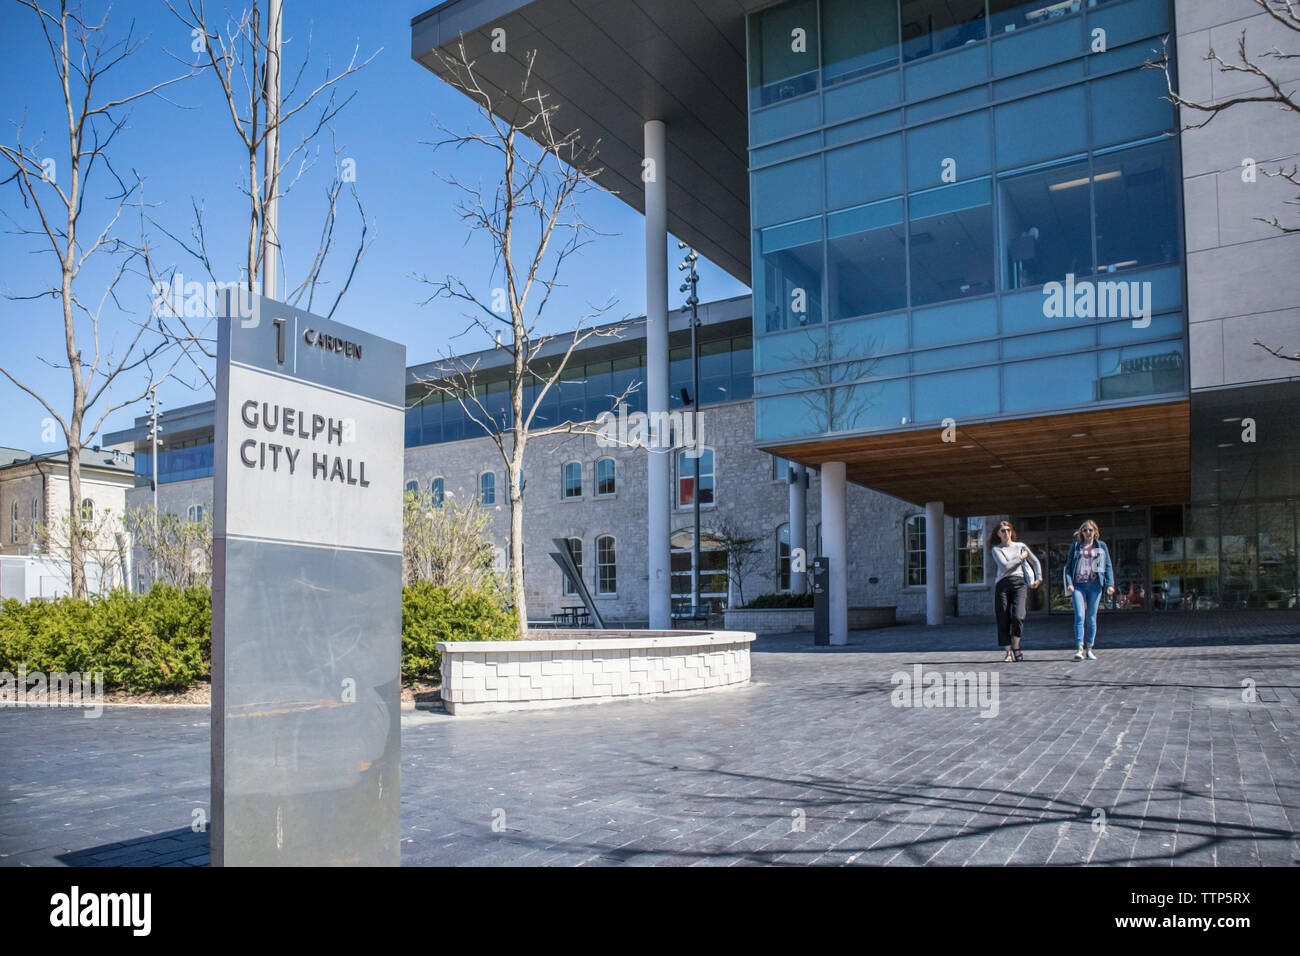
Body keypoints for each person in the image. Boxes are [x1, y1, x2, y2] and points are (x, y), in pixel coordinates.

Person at [989, 521, 1042, 661]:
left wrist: (1039, 578)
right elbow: (1005, 566)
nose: (1006, 533)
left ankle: (1016, 646)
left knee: (1019, 616)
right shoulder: (996, 549)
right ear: (998, 534)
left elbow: (1035, 561)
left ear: (1011, 531)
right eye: (1002, 531)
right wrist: (1020, 558)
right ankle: (1008, 652)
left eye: (1008, 530)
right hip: (1002, 585)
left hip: (1020, 584)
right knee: (1003, 618)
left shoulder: (1020, 546)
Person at [1063, 519, 1115, 661]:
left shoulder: (1101, 546)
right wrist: (1069, 583)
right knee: (1080, 616)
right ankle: (1079, 648)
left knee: (1091, 617)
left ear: (1095, 532)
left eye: (1090, 530)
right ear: (1081, 532)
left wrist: (1110, 584)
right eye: (1085, 530)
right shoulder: (1075, 546)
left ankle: (1089, 648)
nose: (1087, 532)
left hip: (1095, 586)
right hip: (1078, 586)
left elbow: (1108, 566)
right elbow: (1068, 567)